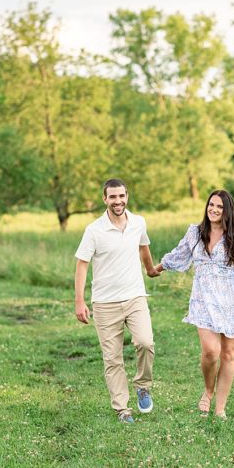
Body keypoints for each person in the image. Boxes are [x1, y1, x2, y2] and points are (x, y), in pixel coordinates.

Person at [153, 189, 234, 419]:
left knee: (229, 355)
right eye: (211, 205)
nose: (214, 209)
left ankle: (220, 408)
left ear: (227, 210)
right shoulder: (195, 233)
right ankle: (208, 391)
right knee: (211, 352)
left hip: (232, 302)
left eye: (220, 207)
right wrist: (155, 269)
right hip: (203, 301)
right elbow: (178, 255)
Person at [74, 178, 160, 424]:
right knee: (113, 358)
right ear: (105, 199)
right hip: (105, 303)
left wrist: (150, 269)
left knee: (146, 342)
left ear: (127, 196)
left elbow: (143, 247)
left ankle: (143, 386)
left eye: (121, 196)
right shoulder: (94, 230)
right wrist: (80, 301)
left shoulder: (138, 223)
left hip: (135, 297)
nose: (118, 201)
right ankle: (122, 409)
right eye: (112, 197)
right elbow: (82, 265)